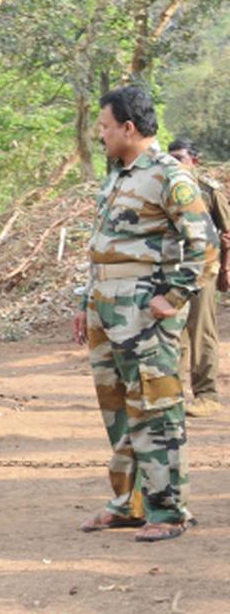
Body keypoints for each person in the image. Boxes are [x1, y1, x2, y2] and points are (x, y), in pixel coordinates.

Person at [72, 86, 217, 542]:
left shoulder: (168, 176)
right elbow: (104, 247)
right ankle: (128, 503)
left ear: (128, 128)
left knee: (156, 408)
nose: (101, 135)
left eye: (106, 127)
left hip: (143, 311)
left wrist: (172, 298)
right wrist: (86, 302)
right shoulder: (118, 174)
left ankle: (169, 510)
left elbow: (205, 248)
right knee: (117, 409)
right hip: (106, 307)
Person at [168, 139, 229, 417]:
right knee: (172, 334)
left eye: (180, 158)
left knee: (201, 331)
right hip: (173, 270)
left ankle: (207, 395)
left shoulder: (208, 190)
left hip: (203, 270)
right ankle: (172, 395)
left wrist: (226, 270)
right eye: (170, 158)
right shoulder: (164, 188)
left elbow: (228, 234)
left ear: (195, 160)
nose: (174, 163)